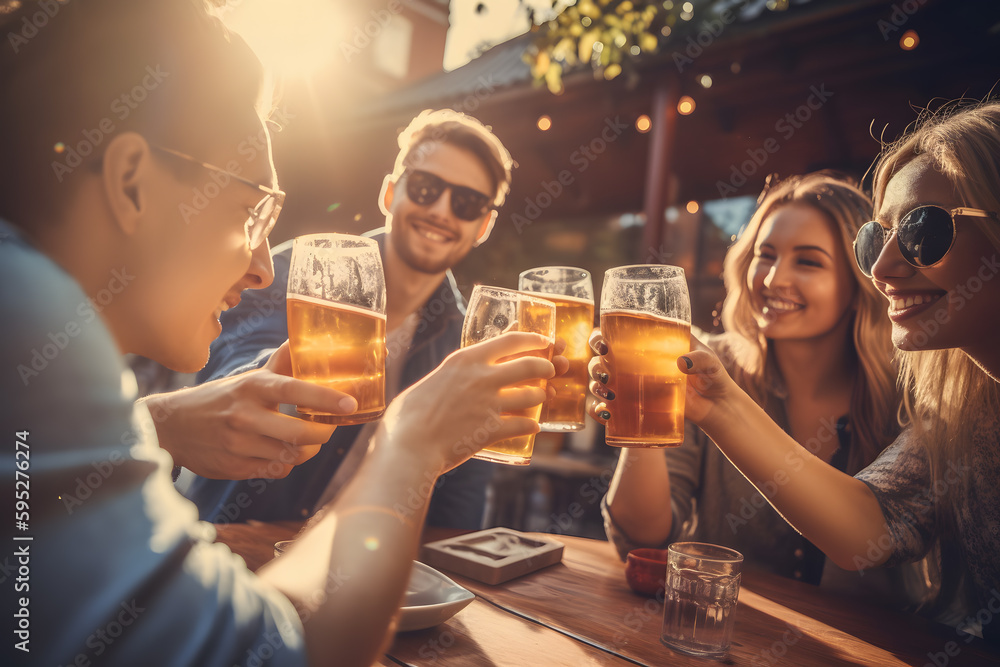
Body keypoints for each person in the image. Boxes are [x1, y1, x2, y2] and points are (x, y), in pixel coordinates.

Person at [0, 2, 560, 665]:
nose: (263, 263)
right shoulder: (30, 315)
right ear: (130, 183)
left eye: (466, 203)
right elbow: (273, 655)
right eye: (251, 208)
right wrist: (411, 439)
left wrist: (155, 421)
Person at [595, 101, 1000, 640]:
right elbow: (867, 529)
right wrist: (672, 412)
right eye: (875, 241)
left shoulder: (916, 397)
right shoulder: (962, 403)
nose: (881, 268)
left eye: (923, 231)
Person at [175, 109, 512, 528]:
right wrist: (301, 372)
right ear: (390, 194)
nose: (442, 211)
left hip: (366, 570)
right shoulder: (298, 271)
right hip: (236, 544)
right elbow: (226, 380)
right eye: (426, 188)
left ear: (484, 226)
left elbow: (460, 497)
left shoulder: (464, 344)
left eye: (467, 203)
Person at [597, 172, 924, 599]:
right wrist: (642, 416)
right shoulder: (710, 367)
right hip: (722, 634)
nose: (772, 280)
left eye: (808, 261)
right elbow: (643, 541)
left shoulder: (910, 393)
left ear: (859, 281)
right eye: (765, 255)